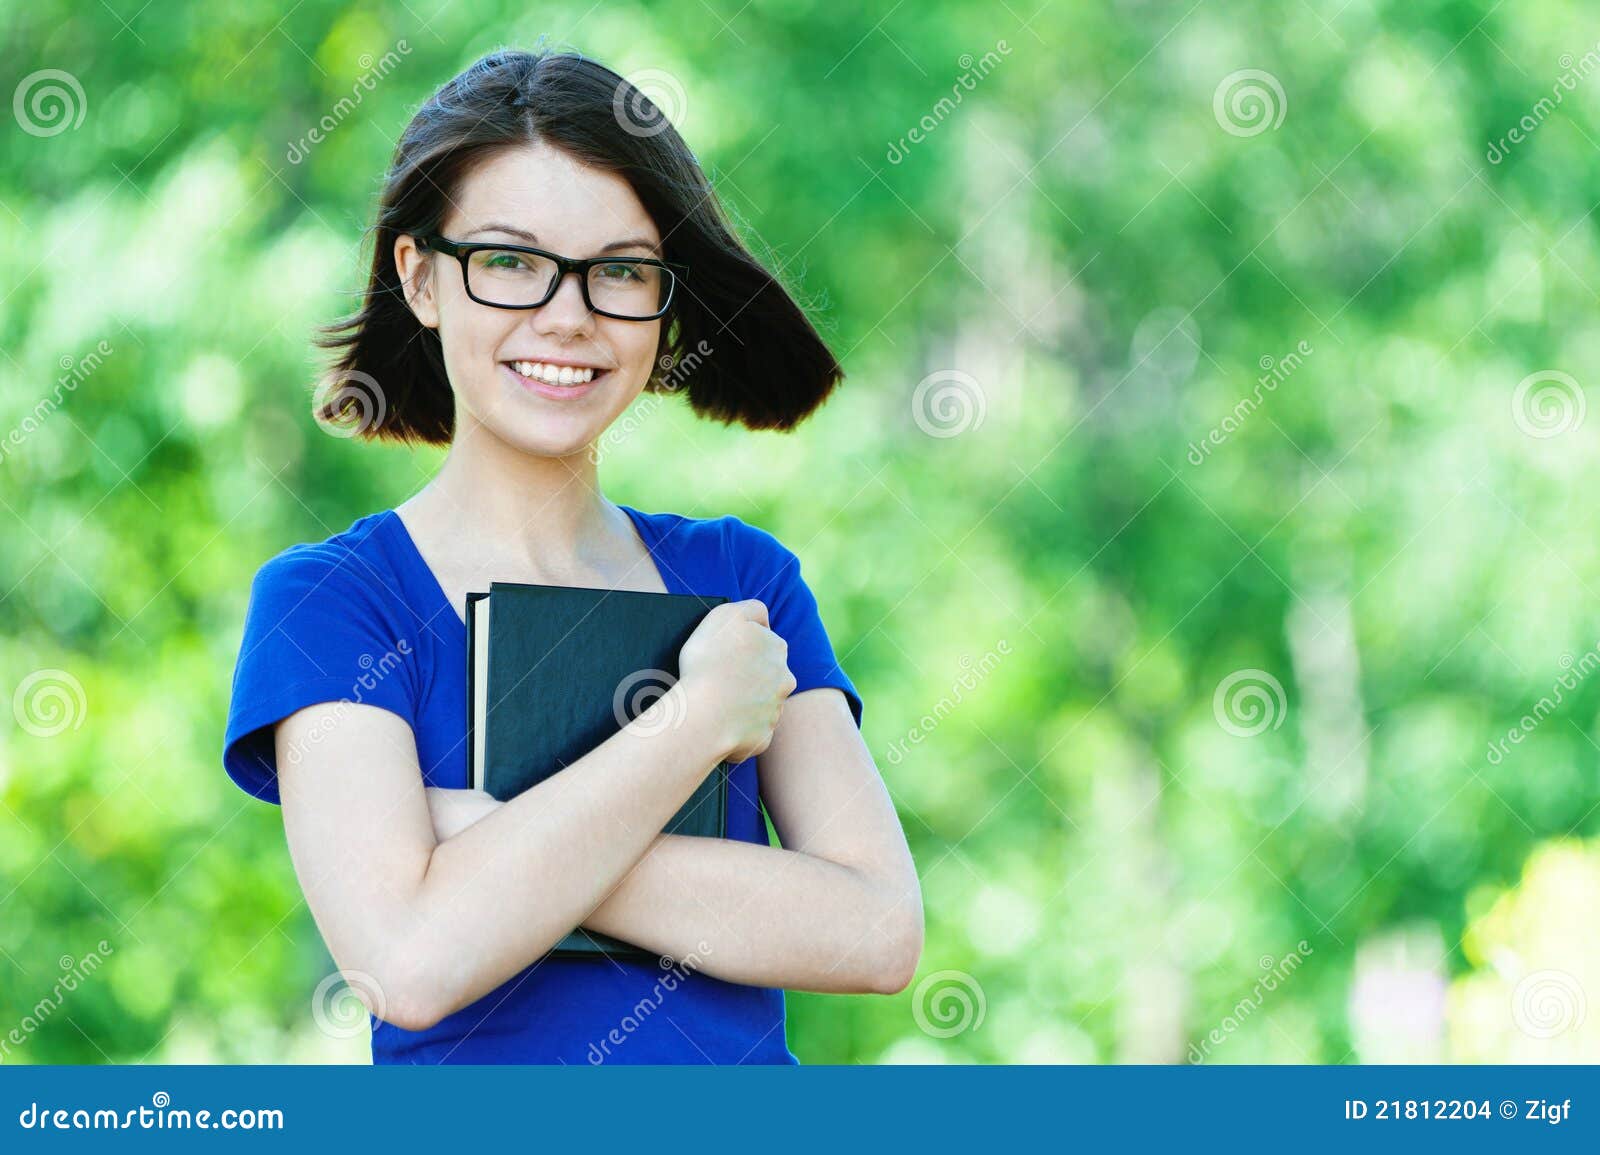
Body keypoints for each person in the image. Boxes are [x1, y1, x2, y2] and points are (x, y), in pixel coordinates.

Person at [221, 46, 922, 1064]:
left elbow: (877, 931)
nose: (568, 316)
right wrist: (693, 722)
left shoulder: (743, 581)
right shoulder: (334, 601)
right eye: (510, 261)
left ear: (665, 302)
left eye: (620, 271)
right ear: (420, 277)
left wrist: (475, 837)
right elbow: (410, 961)